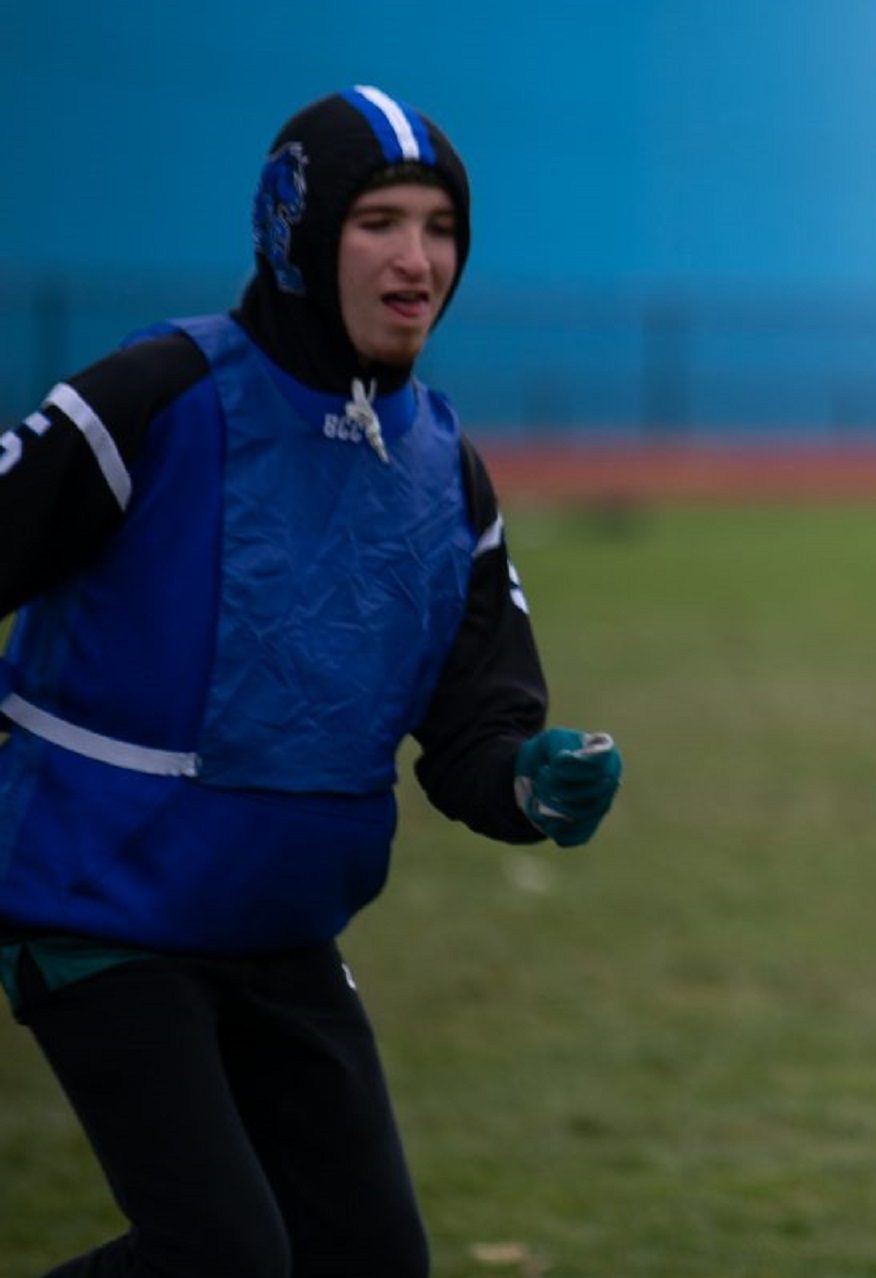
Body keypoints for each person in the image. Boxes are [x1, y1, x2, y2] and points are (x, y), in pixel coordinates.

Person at [0, 86, 623, 1277]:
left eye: (440, 227)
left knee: (371, 1260)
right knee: (222, 1257)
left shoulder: (445, 468)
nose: (417, 257)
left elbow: (476, 725)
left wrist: (533, 783)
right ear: (297, 234)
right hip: (99, 911)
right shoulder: (155, 399)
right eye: (378, 220)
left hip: (281, 929)